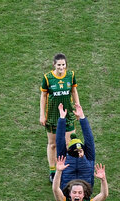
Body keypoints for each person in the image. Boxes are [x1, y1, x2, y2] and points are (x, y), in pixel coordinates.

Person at [40, 53, 81, 183]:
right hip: (52, 116)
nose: (61, 67)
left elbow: (74, 91)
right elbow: (43, 96)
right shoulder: (47, 78)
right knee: (53, 144)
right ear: (54, 65)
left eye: (63, 65)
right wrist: (42, 114)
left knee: (70, 144)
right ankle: (53, 171)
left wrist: (78, 107)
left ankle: (69, 170)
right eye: (59, 65)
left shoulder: (71, 76)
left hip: (68, 115)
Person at [55, 103, 95, 186]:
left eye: (80, 150)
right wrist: (62, 119)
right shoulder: (63, 159)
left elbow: (89, 139)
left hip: (84, 196)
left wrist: (82, 117)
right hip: (67, 196)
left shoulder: (88, 159)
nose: (79, 153)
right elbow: (59, 141)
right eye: (76, 150)